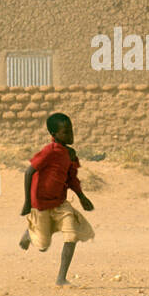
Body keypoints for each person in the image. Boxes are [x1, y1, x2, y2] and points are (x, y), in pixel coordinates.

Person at [20, 112, 94, 285]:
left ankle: (61, 278)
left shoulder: (70, 154)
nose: (71, 135)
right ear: (54, 135)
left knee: (72, 235)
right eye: (65, 132)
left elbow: (71, 178)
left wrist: (82, 197)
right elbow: (29, 172)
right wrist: (27, 203)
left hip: (60, 202)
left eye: (71, 131)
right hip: (41, 204)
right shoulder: (49, 151)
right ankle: (31, 232)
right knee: (43, 245)